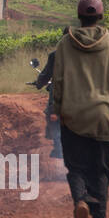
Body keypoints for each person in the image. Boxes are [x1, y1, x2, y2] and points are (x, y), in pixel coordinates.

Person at [52, 0, 109, 218]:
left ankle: (81, 200)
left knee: (76, 168)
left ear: (79, 16)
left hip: (74, 117)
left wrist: (59, 110)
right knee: (102, 172)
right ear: (101, 16)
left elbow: (59, 83)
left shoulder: (65, 44)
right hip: (105, 117)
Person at [31, 27, 68, 159]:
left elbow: (46, 74)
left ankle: (58, 148)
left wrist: (39, 83)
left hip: (60, 93)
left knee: (52, 114)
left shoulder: (56, 55)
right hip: (83, 95)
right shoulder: (87, 54)